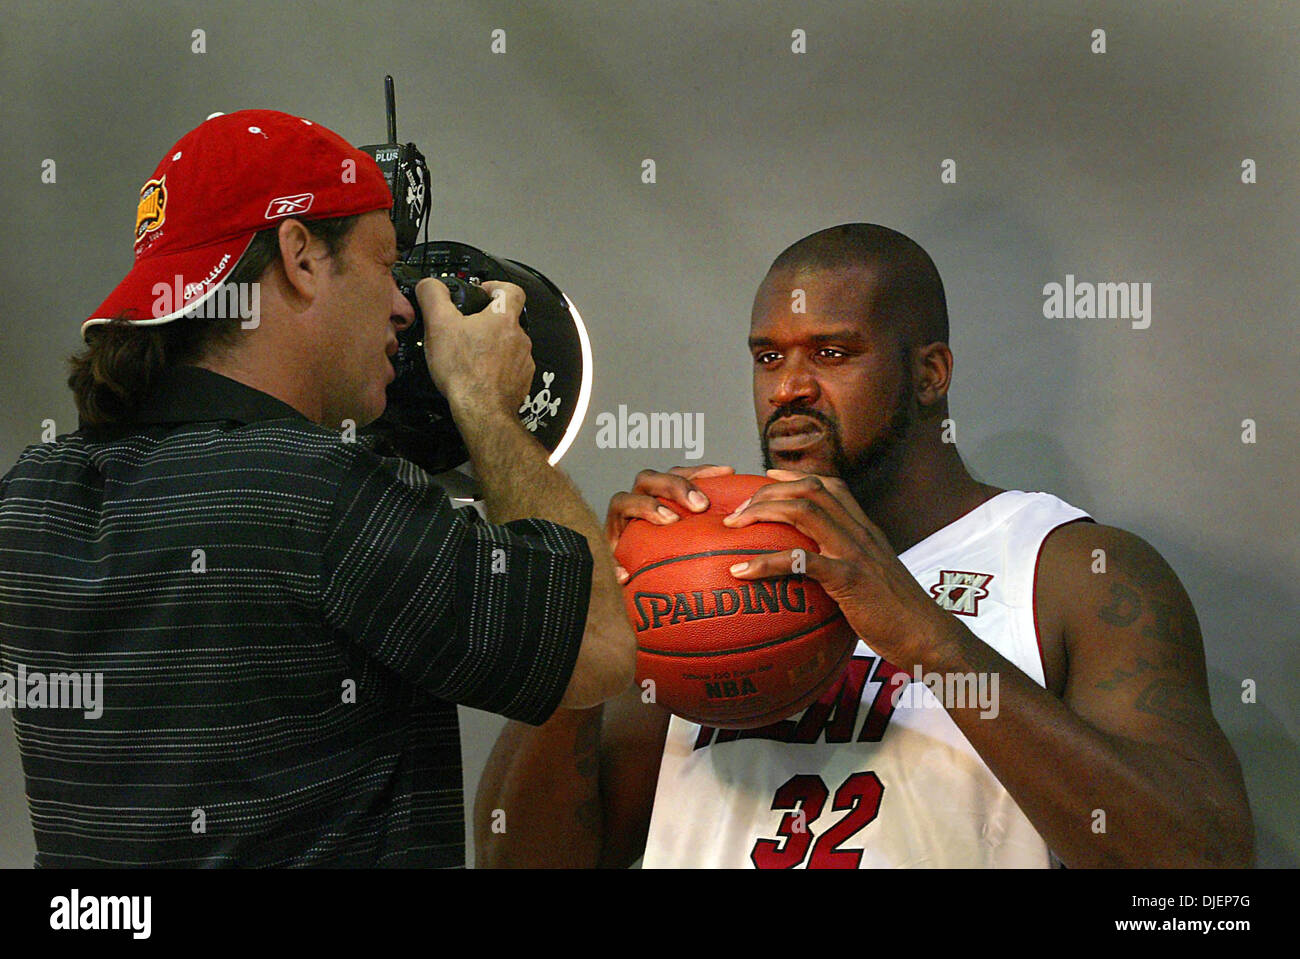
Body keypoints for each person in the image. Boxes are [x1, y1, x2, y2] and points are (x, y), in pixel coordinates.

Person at [474, 223, 1254, 868]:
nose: (790, 388)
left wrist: (925, 635)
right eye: (769, 356)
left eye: (833, 353)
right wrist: (585, 625)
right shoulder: (692, 576)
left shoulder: (1068, 571)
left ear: (931, 373)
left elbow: (1204, 879)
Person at [0, 110, 633, 867]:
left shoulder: (28, 499)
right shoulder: (321, 495)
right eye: (384, 263)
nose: (404, 305)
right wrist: (482, 403)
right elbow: (599, 648)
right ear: (300, 257)